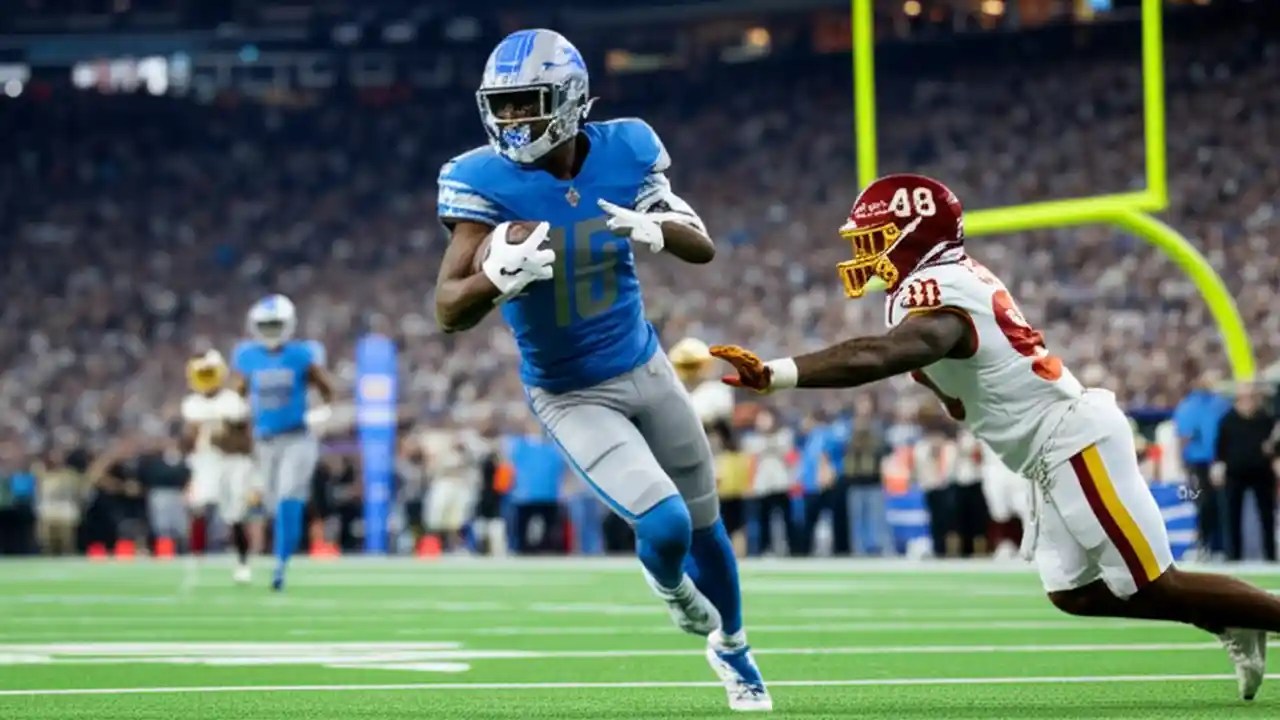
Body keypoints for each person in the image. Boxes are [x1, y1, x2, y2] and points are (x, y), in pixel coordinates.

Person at [710, 172, 1280, 702]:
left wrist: (781, 373)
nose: (866, 253)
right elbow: (949, 380)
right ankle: (1231, 618)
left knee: (1156, 584)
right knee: (1073, 594)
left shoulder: (941, 290)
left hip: (1071, 440)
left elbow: (884, 354)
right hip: (1046, 454)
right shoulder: (940, 285)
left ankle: (1248, 615)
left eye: (876, 237)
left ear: (914, 234)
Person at [432, 29, 768, 710]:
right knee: (667, 526)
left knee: (706, 523)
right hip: (569, 392)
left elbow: (700, 247)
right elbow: (446, 308)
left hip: (644, 366)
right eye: (503, 105)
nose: (513, 120)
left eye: (527, 103)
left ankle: (734, 649)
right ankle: (672, 591)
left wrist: (657, 229)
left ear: (570, 98)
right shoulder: (480, 179)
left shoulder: (627, 148)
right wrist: (494, 277)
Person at [231, 295, 335, 591]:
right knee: (272, 502)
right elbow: (236, 389)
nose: (271, 330)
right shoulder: (247, 355)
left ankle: (280, 564)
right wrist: (235, 408)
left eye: (276, 324)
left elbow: (327, 387)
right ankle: (275, 556)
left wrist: (323, 410)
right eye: (266, 325)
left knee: (289, 494)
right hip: (264, 440)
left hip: (297, 436)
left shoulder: (301, 354)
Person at [181, 349, 256, 581]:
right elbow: (188, 441)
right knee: (199, 506)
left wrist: (224, 436)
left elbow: (245, 440)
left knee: (235, 514)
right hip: (206, 462)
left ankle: (242, 562)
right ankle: (196, 556)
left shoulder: (232, 402)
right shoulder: (191, 404)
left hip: (233, 463)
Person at [1213, 384, 1278, 561]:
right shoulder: (1228, 420)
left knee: (1267, 515)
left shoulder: (1266, 419)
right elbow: (1220, 448)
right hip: (1235, 472)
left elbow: (1274, 446)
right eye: (1245, 396)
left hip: (1262, 471)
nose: (1249, 401)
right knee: (1232, 515)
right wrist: (1218, 466)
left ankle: (1270, 555)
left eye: (1252, 397)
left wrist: (1273, 454)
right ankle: (1233, 556)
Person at [1173, 370, 1232, 560]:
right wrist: (1182, 462)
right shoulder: (1190, 405)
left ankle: (1219, 546)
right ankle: (1205, 544)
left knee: (1220, 504)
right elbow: (1184, 436)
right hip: (1198, 461)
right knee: (1204, 503)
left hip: (1220, 459)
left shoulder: (1220, 403)